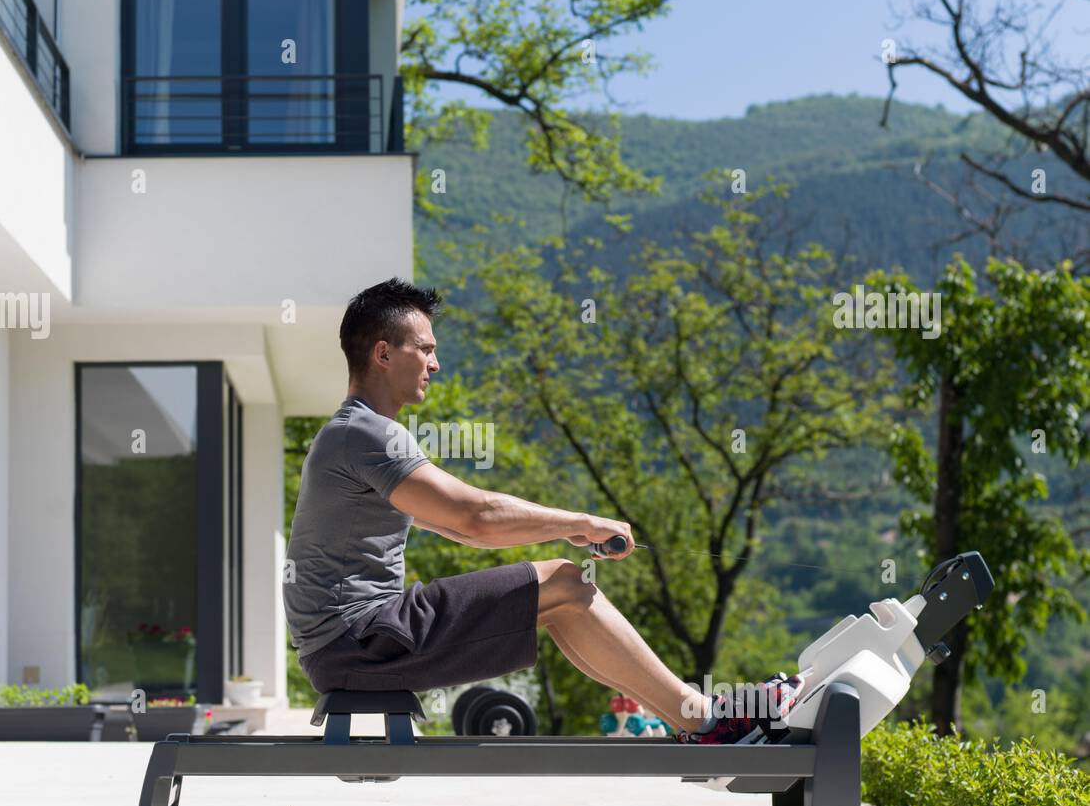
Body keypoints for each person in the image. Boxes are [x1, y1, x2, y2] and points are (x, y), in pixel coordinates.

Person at [282, 277, 804, 743]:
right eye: (425, 349)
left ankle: (699, 721)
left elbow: (458, 528)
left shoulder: (351, 433)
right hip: (361, 638)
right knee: (563, 583)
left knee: (561, 597)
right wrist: (579, 522)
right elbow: (475, 517)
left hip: (351, 641)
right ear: (383, 354)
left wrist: (560, 533)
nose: (436, 364)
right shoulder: (367, 434)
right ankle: (708, 720)